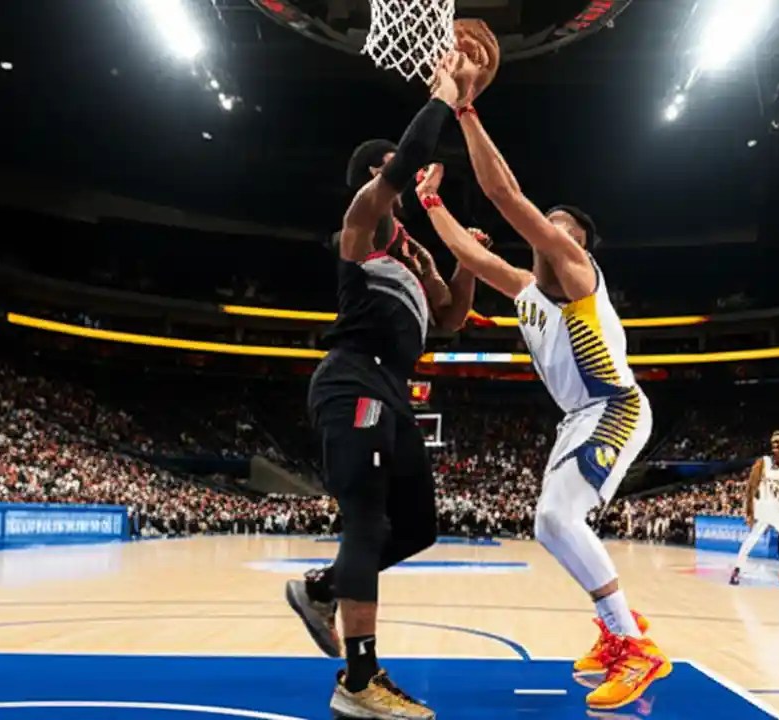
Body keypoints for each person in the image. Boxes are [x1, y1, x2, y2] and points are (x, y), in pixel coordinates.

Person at [414, 102, 668, 711]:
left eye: (560, 228)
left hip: (614, 405)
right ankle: (617, 628)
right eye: (548, 226)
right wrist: (430, 205)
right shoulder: (528, 292)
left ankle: (636, 649)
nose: (550, 232)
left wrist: (467, 110)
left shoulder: (578, 271)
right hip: (579, 416)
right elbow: (474, 260)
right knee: (547, 525)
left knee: (557, 520)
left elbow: (504, 194)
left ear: (574, 245)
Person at [282, 52, 481, 720]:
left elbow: (449, 319)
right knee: (365, 519)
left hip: (393, 389)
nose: (406, 166)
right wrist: (446, 96)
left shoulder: (416, 255)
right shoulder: (362, 221)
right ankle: (359, 680)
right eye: (394, 163)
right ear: (378, 173)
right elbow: (409, 158)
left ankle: (320, 588)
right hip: (351, 377)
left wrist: (465, 262)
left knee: (417, 526)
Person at [730, 430, 779, 585]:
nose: (778, 447)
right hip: (766, 507)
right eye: (775, 444)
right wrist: (749, 511)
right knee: (753, 537)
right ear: (771, 446)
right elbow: (751, 487)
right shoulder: (763, 462)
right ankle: (737, 567)